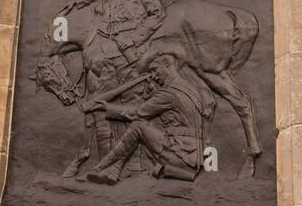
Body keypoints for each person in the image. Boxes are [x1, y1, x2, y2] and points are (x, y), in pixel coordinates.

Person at [83, 46, 216, 186]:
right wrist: (152, 93)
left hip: (183, 156)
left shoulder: (168, 93)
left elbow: (138, 113)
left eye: (154, 69)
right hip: (191, 154)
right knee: (141, 128)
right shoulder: (187, 86)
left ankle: (101, 168)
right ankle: (113, 171)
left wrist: (106, 107)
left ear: (166, 64)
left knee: (137, 126)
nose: (153, 75)